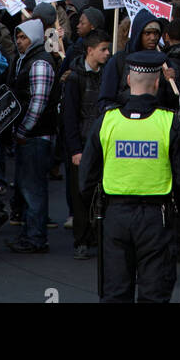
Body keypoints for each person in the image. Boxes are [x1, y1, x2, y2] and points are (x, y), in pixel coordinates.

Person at [80, 50, 180, 303]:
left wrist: (93, 211)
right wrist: (176, 210)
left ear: (129, 80)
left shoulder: (106, 122)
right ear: (157, 83)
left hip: (115, 215)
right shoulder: (170, 123)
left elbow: (86, 177)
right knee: (154, 292)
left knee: (115, 292)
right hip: (156, 216)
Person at [7, 18, 63, 254]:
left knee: (33, 188)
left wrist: (23, 130)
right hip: (31, 134)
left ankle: (35, 238)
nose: (20, 42)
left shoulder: (39, 62)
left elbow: (38, 102)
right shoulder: (27, 59)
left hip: (36, 136)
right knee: (29, 186)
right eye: (18, 37)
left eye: (24, 37)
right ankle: (31, 234)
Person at [62, 28, 111, 258]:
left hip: (102, 144)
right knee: (81, 193)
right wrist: (75, 149)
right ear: (90, 51)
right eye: (103, 49)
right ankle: (81, 239)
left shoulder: (107, 74)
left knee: (99, 192)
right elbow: (69, 117)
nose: (107, 53)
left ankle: (95, 235)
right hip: (82, 144)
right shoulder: (75, 78)